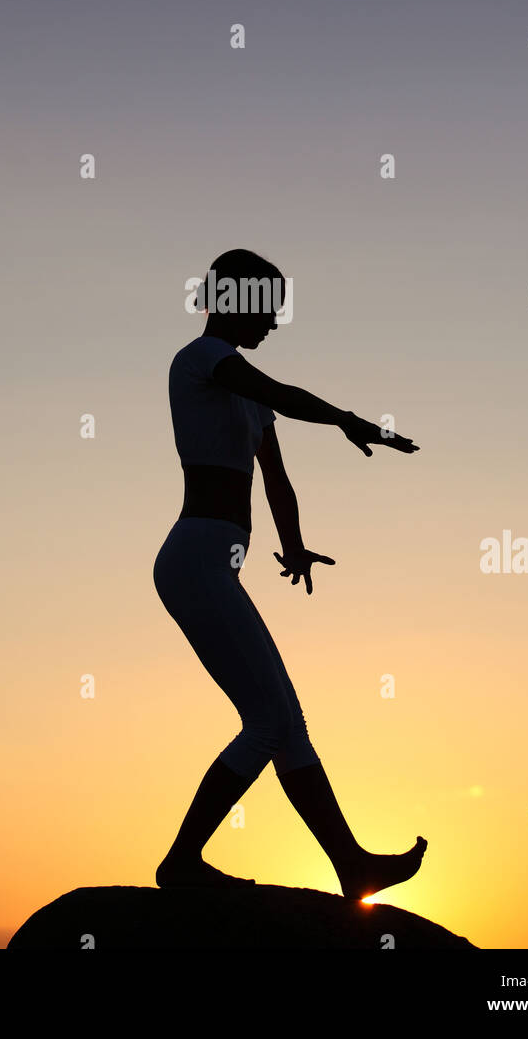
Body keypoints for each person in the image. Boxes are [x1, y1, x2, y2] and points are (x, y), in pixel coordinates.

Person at [153, 248, 427, 899]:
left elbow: (275, 478)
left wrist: (295, 546)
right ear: (236, 300)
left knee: (286, 719)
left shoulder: (249, 398)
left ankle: (351, 865)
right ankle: (182, 862)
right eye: (267, 306)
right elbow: (278, 391)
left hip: (216, 566)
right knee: (268, 722)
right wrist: (344, 419)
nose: (274, 320)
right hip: (194, 560)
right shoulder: (200, 362)